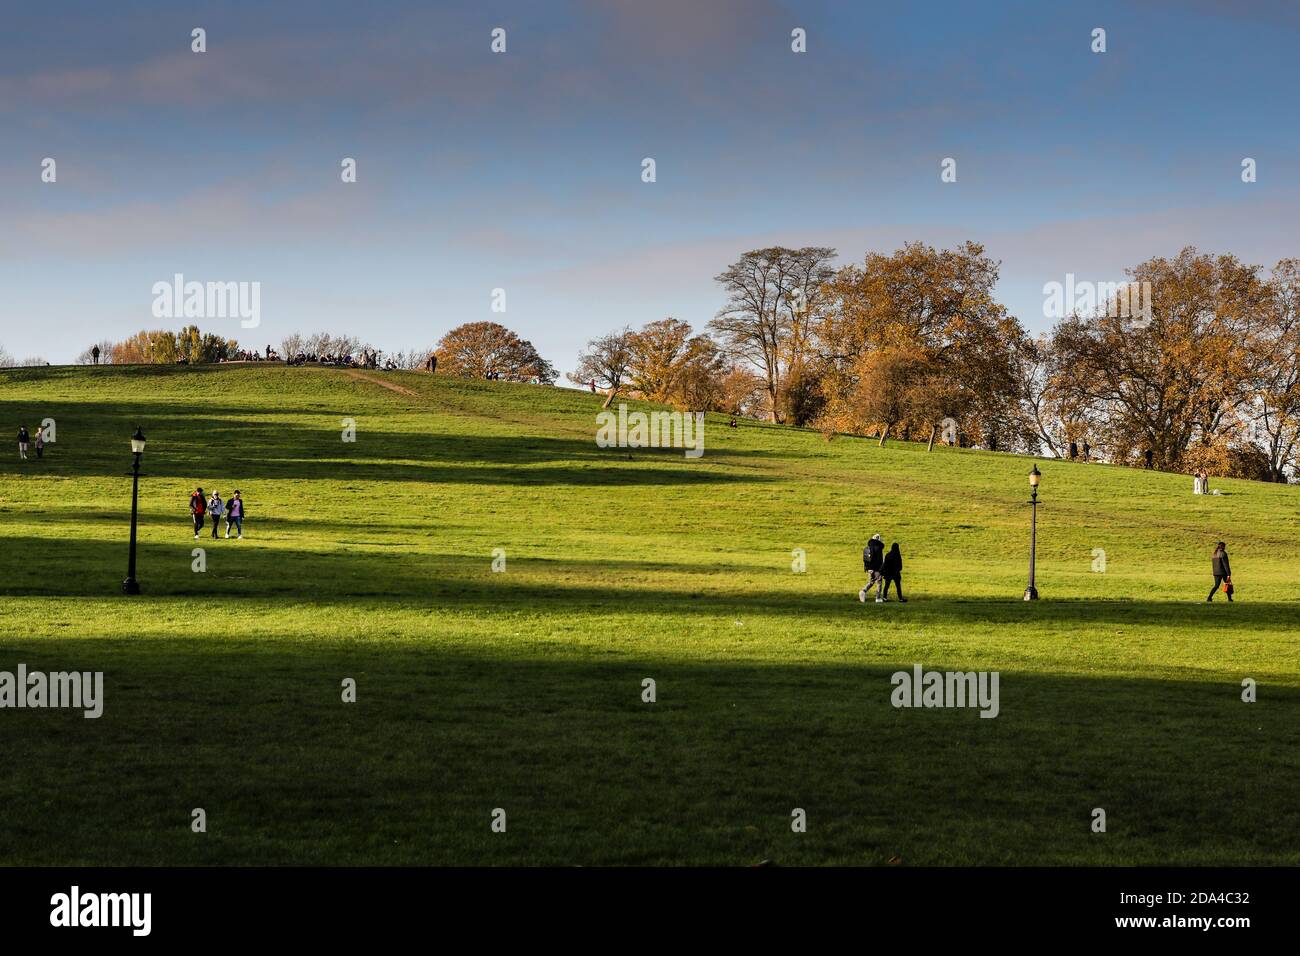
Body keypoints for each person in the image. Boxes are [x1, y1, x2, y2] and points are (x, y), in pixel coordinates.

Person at [859, 533, 884, 602]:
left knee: (871, 582)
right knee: (879, 582)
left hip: (869, 568)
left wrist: (867, 568)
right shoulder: (879, 548)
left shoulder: (868, 547)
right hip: (876, 568)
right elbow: (880, 560)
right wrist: (881, 569)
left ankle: (863, 591)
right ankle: (878, 598)